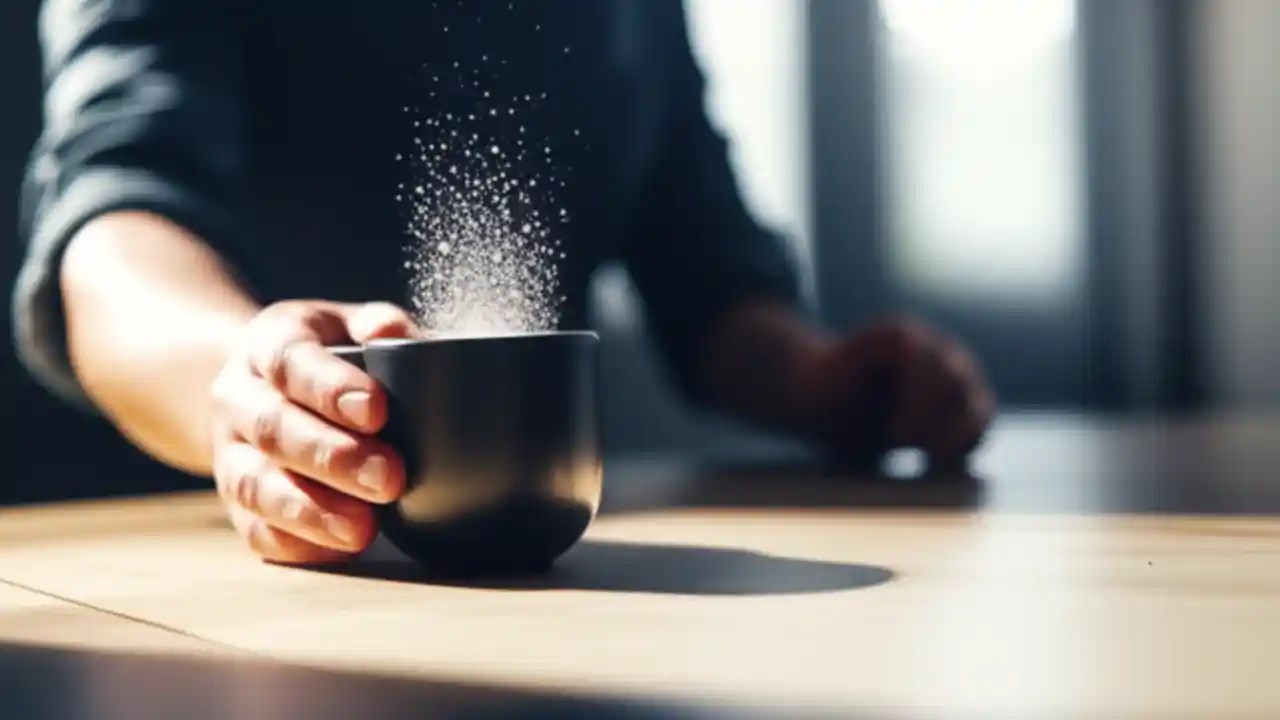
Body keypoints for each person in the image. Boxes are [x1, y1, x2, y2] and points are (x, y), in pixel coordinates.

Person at [15, 1, 994, 565]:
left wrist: (817, 379)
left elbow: (701, 260)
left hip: (569, 601)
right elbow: (112, 230)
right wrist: (250, 386)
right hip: (204, 591)